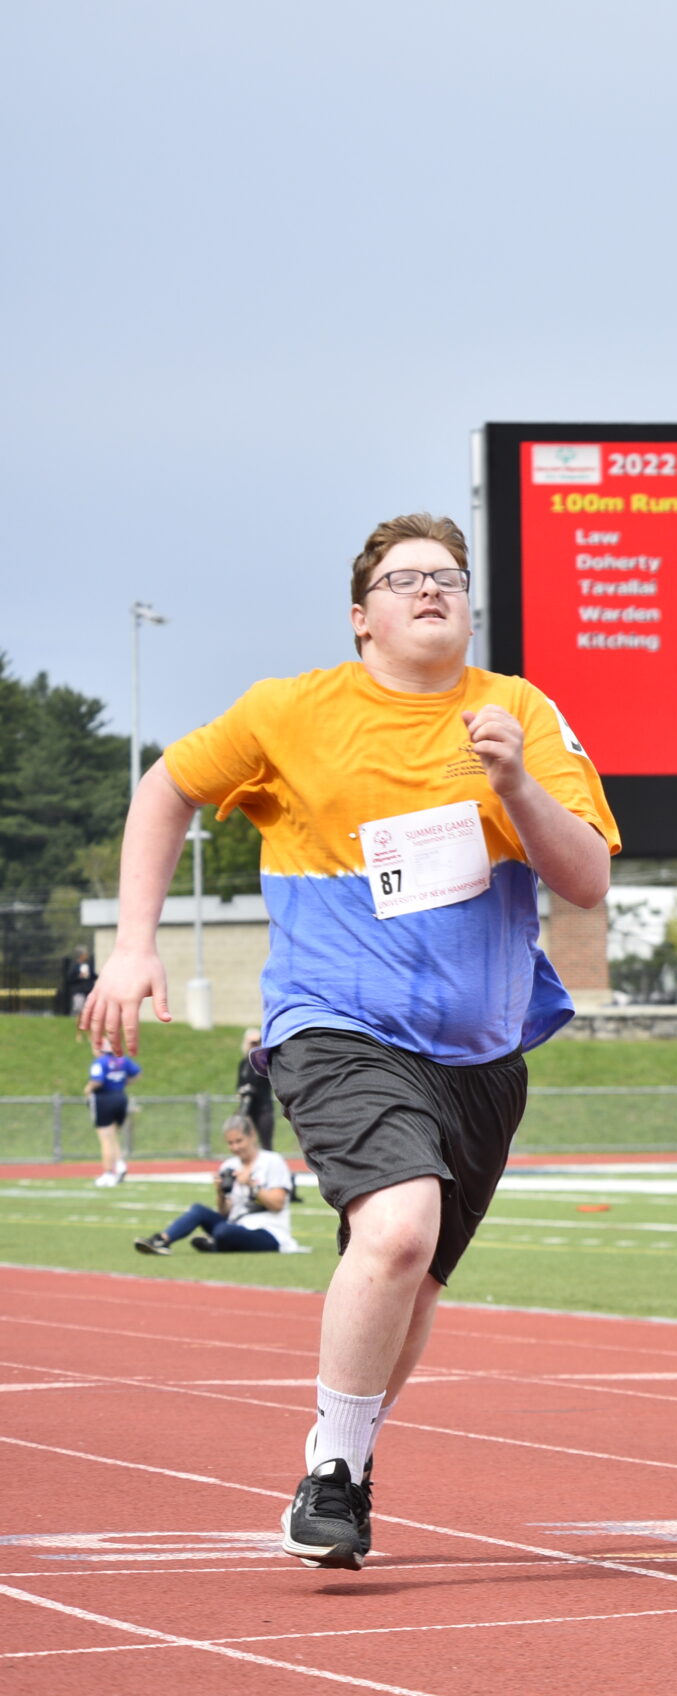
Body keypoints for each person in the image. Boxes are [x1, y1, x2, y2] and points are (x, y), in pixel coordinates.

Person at [82, 511, 617, 1570]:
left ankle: (345, 1455)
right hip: (335, 1020)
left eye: (450, 577)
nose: (433, 591)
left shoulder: (520, 711)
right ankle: (333, 1468)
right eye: (407, 578)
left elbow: (587, 881)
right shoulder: (293, 710)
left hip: (480, 1048)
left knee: (410, 1279)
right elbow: (168, 787)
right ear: (360, 615)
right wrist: (132, 944)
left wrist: (513, 783)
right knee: (401, 1227)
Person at [135, 1115, 301, 1254]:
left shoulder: (272, 1161)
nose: (235, 1147)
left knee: (224, 1231)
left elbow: (278, 1204)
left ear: (252, 1136)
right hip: (236, 1225)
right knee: (199, 1210)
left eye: (239, 1141)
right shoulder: (229, 1165)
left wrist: (252, 1186)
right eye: (230, 1143)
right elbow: (225, 1212)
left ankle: (215, 1245)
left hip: (269, 1232)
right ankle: (162, 1240)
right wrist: (220, 1193)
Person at [84, 1043, 140, 1186]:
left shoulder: (100, 1062)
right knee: (113, 1134)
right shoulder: (122, 1060)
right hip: (121, 1097)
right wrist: (122, 1083)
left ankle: (108, 1173)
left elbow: (97, 1080)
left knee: (105, 1137)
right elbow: (137, 1073)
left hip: (104, 1099)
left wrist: (88, 1089)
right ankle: (120, 1165)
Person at [236, 1027, 276, 1147]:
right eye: (252, 1043)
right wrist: (243, 1091)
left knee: (266, 1143)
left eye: (257, 1042)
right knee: (247, 1143)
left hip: (264, 1108)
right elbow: (239, 1084)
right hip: (247, 1109)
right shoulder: (243, 1064)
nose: (254, 1045)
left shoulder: (264, 1062)